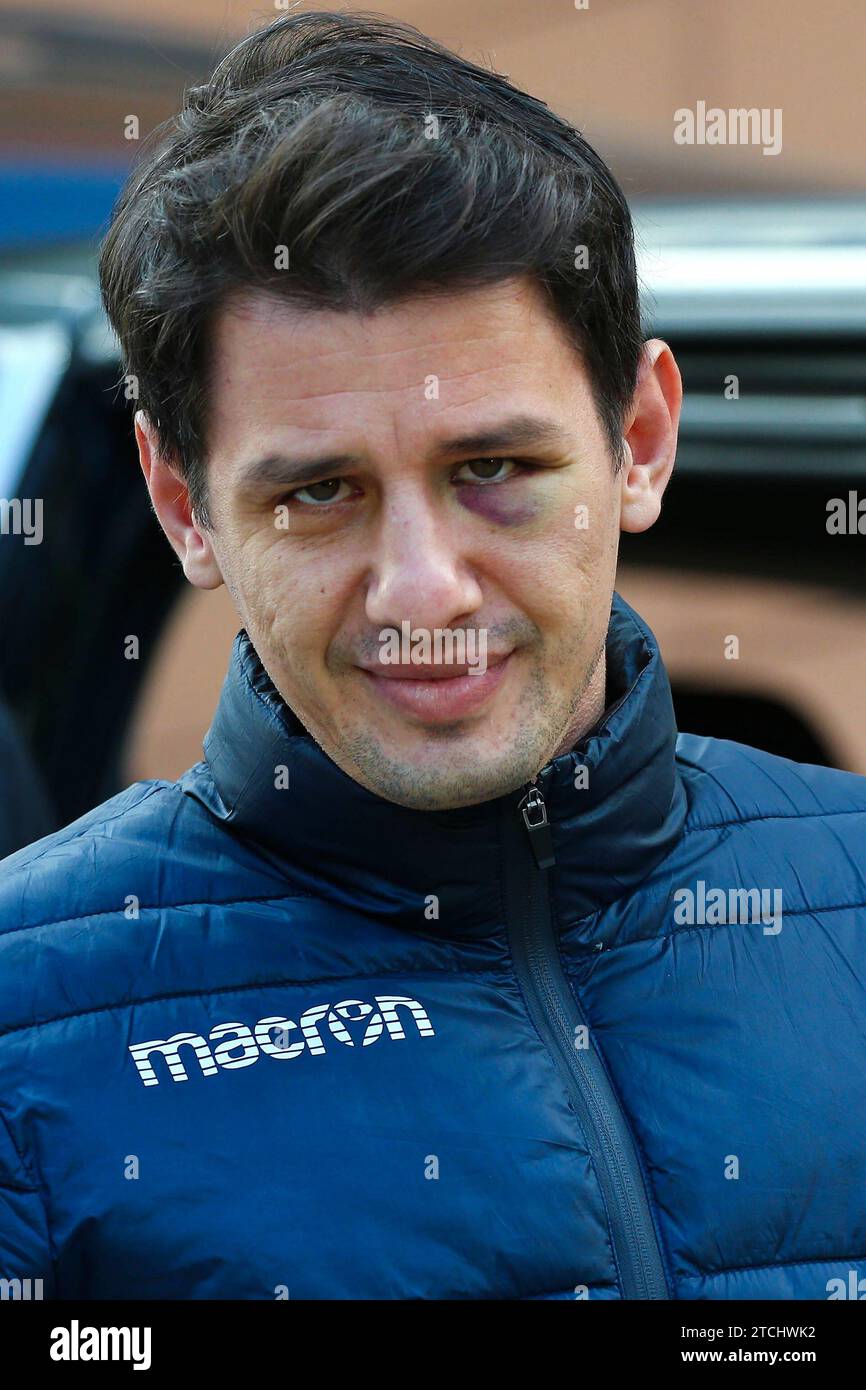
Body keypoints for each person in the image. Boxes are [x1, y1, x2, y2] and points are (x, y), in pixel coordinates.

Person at [1, 11, 864, 1302]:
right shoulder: (26, 1019)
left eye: (494, 469)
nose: (420, 587)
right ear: (185, 508)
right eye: (318, 494)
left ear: (639, 436)